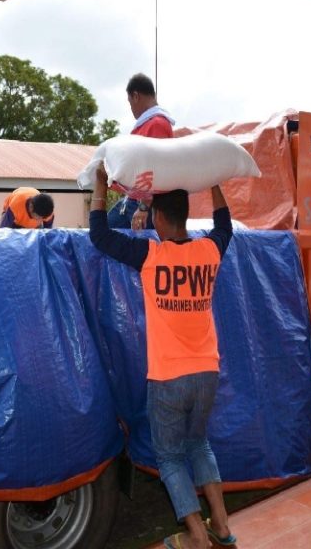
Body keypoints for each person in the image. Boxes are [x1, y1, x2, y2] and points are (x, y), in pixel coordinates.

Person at [90, 165, 236, 549]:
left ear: (157, 217)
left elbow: (100, 236)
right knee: (199, 444)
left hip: (168, 376)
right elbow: (225, 226)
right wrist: (214, 182)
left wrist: (101, 187)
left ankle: (196, 536)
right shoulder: (208, 250)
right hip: (207, 370)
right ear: (185, 215)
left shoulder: (150, 255)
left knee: (170, 457)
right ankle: (221, 525)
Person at [108, 73, 175, 231]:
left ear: (136, 96)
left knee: (107, 237)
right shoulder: (146, 125)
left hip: (146, 204)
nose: (131, 108)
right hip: (133, 200)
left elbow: (157, 168)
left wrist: (144, 207)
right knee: (101, 232)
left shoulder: (157, 124)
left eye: (130, 102)